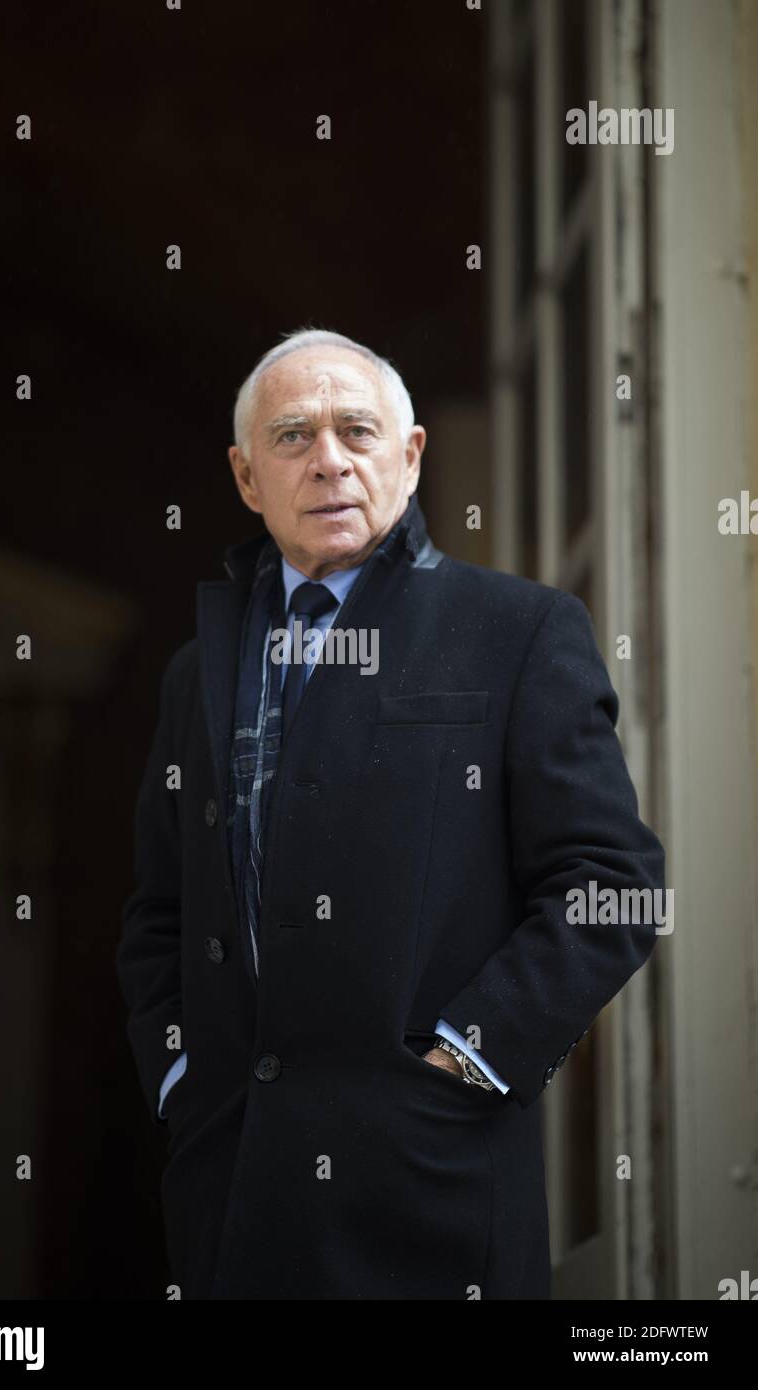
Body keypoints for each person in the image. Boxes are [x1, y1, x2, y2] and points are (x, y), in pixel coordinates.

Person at [116, 328, 665, 1299]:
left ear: (407, 457)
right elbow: (160, 910)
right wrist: (177, 1075)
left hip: (431, 1198)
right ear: (247, 478)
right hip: (230, 1198)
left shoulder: (517, 630)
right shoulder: (194, 675)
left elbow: (612, 884)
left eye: (355, 430)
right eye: (291, 437)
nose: (327, 458)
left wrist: (469, 1055)